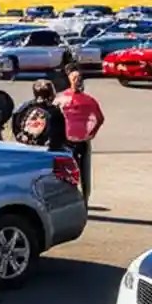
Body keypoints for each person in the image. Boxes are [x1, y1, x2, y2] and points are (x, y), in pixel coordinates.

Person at [55, 65, 105, 203]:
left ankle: (85, 199)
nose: (77, 81)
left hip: (82, 141)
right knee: (66, 171)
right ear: (69, 79)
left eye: (79, 78)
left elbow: (100, 118)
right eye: (74, 78)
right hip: (66, 141)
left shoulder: (88, 100)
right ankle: (67, 197)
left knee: (84, 172)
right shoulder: (61, 99)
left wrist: (91, 133)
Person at [11, 80, 69, 151]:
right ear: (51, 94)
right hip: (45, 152)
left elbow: (15, 127)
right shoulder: (54, 112)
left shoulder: (23, 108)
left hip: (24, 149)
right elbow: (59, 137)